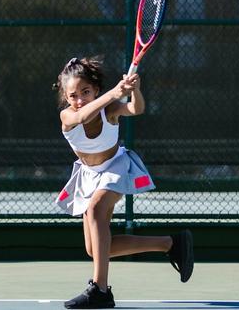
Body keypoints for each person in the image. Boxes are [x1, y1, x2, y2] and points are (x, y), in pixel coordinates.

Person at [53, 56, 194, 309]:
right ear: (66, 97)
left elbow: (135, 109)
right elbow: (84, 116)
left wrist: (134, 91)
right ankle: (171, 243)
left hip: (116, 167)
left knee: (96, 209)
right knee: (95, 249)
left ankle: (100, 290)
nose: (80, 99)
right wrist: (114, 93)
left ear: (95, 88)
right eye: (73, 95)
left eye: (86, 91)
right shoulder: (68, 115)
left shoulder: (111, 109)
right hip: (88, 175)